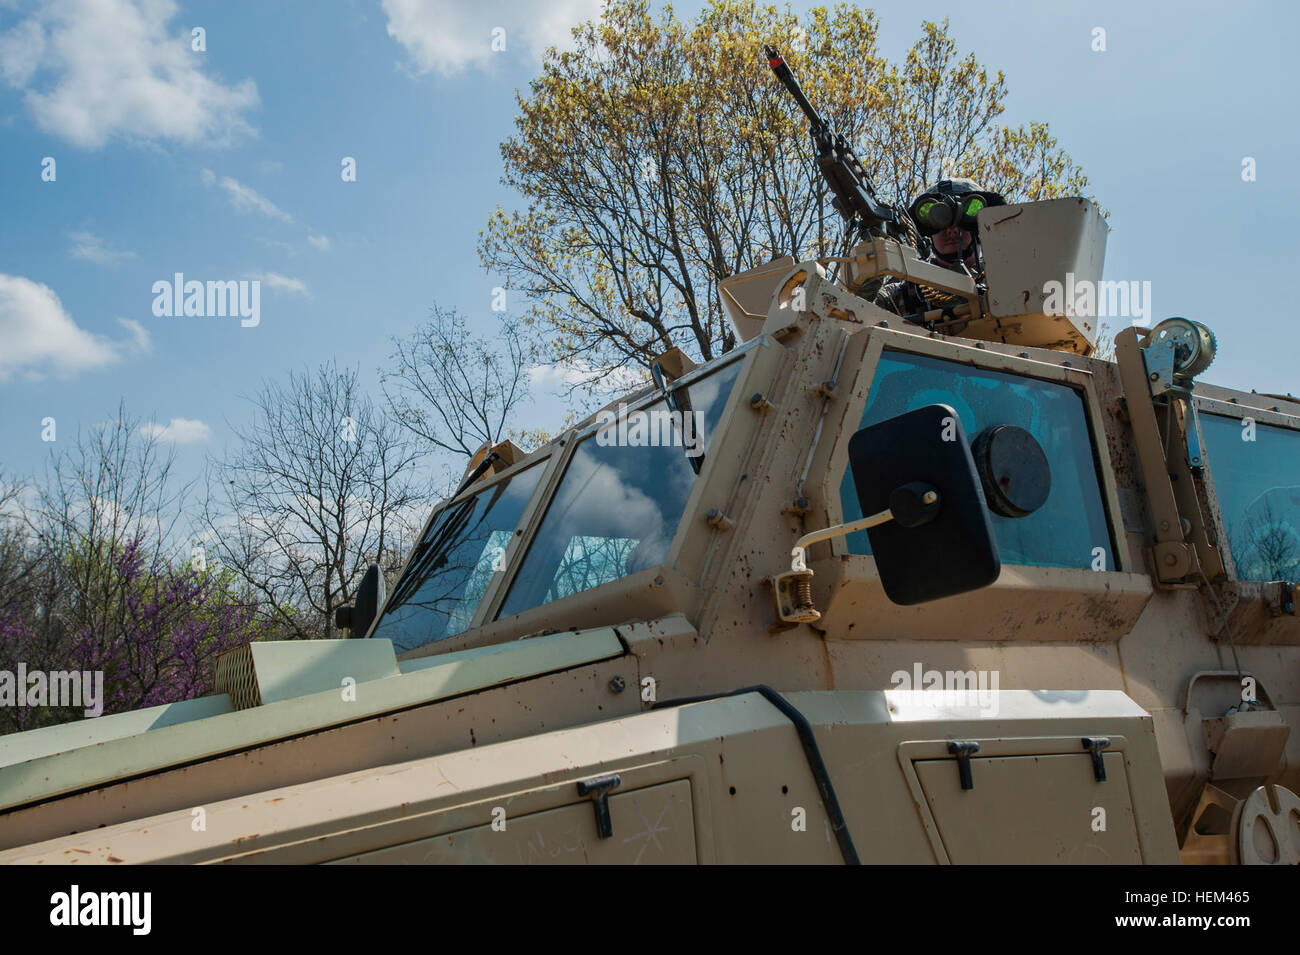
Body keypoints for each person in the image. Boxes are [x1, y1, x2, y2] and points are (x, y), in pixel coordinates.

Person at [873, 178, 1005, 320]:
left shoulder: (1007, 283)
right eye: (940, 220)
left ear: (979, 229)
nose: (952, 230)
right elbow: (862, 307)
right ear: (927, 232)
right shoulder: (900, 295)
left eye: (962, 222)